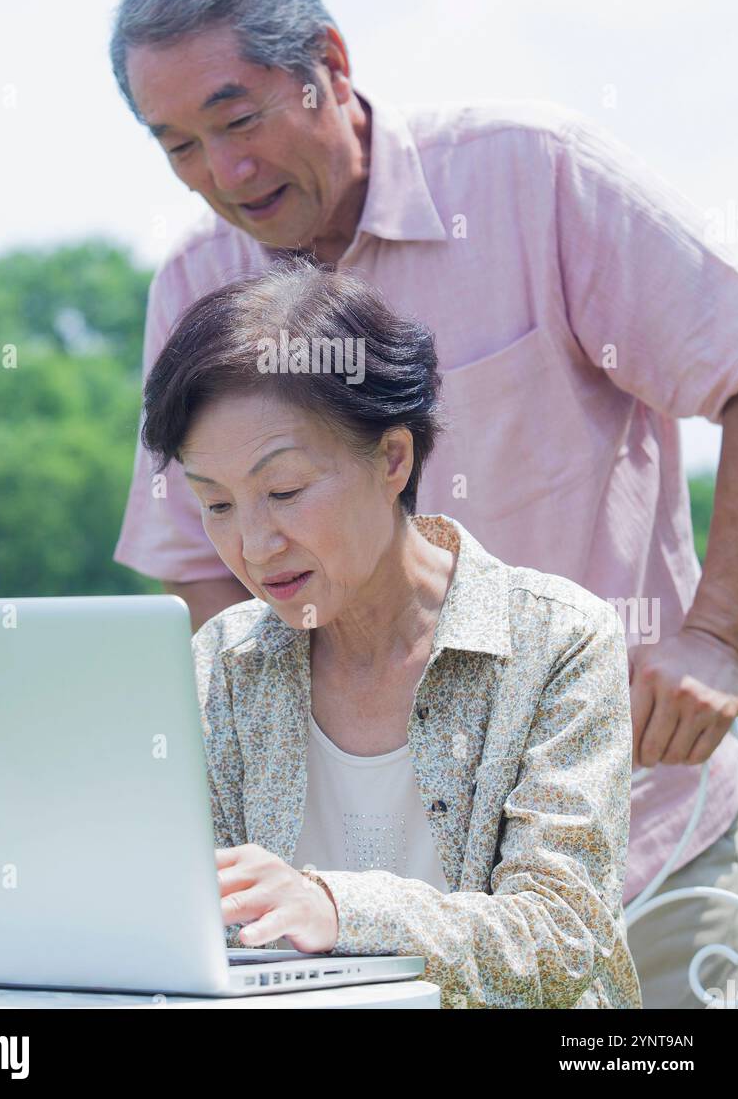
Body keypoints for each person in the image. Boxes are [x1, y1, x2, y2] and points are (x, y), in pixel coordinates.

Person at [109, 0, 738, 1007]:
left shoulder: (532, 176)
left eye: (237, 118)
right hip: (356, 916)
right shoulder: (194, 281)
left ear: (330, 63)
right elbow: (201, 562)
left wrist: (718, 632)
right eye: (177, 147)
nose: (226, 174)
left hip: (640, 841)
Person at [139, 257, 642, 1009]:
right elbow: (184, 919)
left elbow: (561, 936)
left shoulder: (559, 641)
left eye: (283, 491)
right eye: (215, 505)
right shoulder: (220, 661)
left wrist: (336, 909)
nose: (253, 544)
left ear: (393, 458)